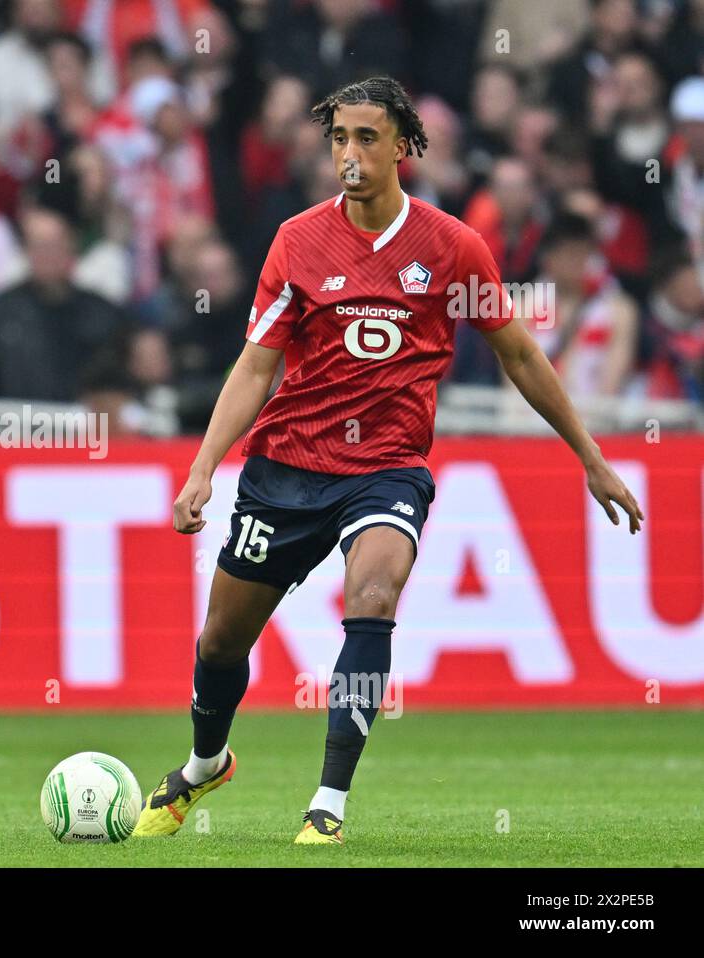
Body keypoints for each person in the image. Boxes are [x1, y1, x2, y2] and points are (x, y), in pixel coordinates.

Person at [134, 76, 644, 846]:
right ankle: (205, 765)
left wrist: (591, 458)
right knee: (219, 645)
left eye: (366, 138)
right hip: (287, 468)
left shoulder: (452, 247)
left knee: (372, 596)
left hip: (386, 467)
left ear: (402, 146)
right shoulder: (297, 241)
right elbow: (254, 366)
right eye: (338, 137)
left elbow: (520, 355)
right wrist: (206, 466)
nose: (349, 153)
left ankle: (328, 803)